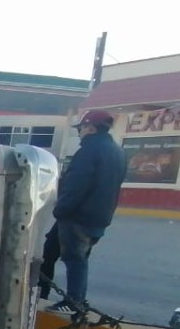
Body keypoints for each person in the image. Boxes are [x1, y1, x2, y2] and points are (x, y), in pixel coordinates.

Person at [43, 109, 127, 315]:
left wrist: (61, 210)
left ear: (90, 127)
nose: (79, 133)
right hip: (99, 216)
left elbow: (76, 184)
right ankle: (40, 292)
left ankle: (74, 302)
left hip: (77, 216)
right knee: (51, 251)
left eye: (80, 128)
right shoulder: (117, 151)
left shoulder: (89, 151)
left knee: (75, 260)